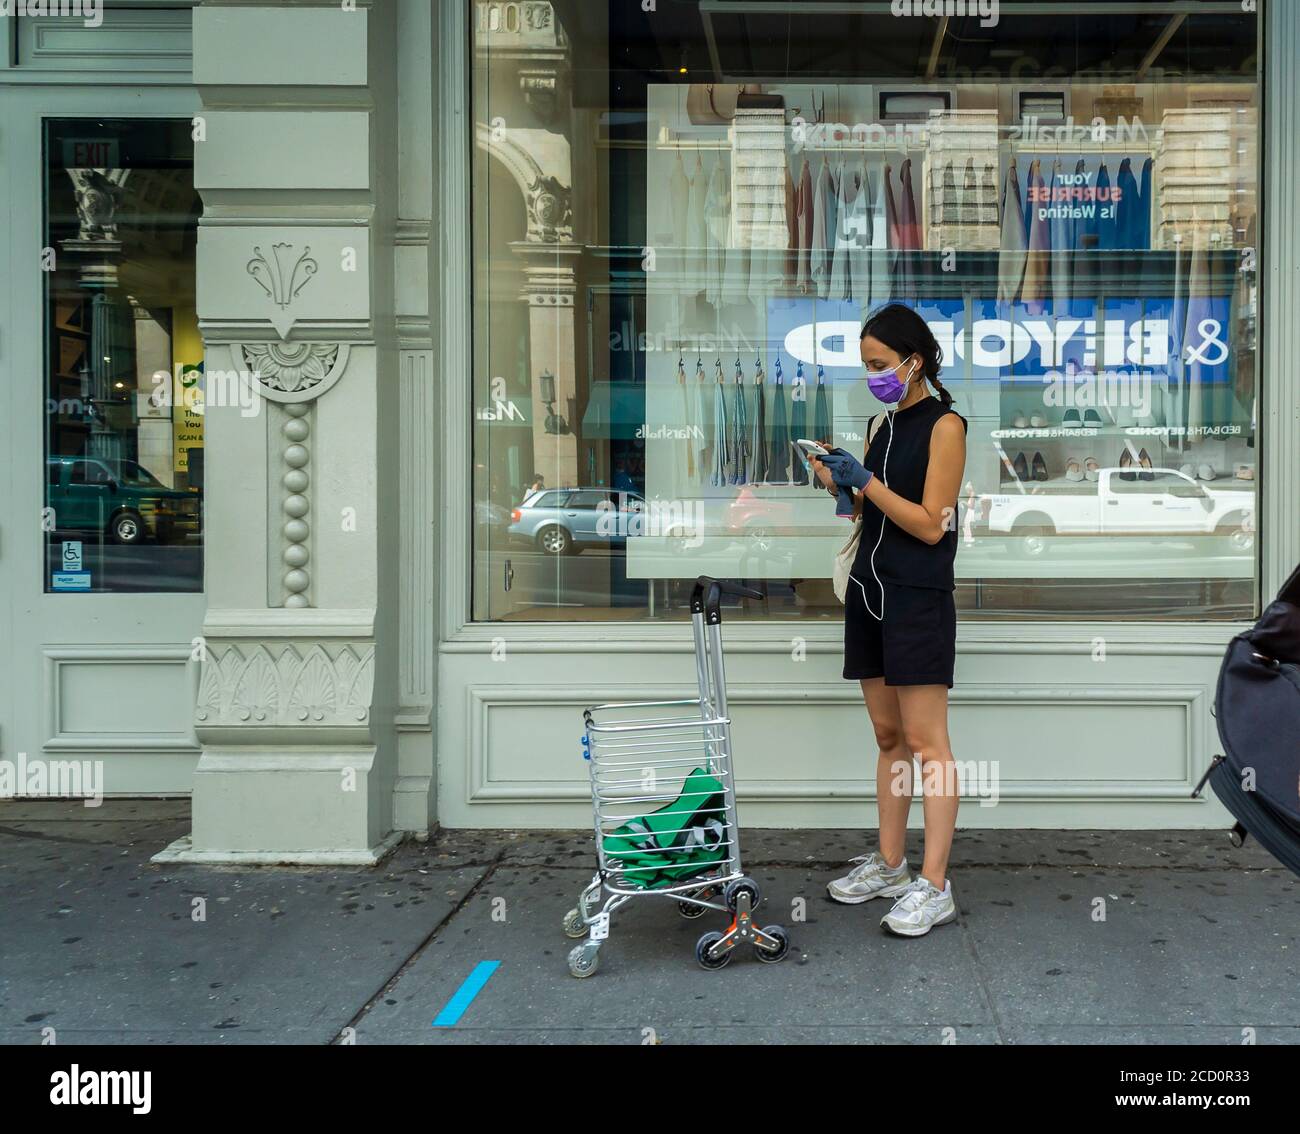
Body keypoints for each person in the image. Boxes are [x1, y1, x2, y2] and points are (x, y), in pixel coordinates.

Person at [810, 303, 967, 937]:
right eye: (867, 366)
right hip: (869, 593)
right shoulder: (881, 424)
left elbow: (930, 524)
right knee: (887, 736)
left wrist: (865, 480)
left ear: (914, 362)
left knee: (930, 745)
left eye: (880, 365)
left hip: (917, 597)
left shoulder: (946, 426)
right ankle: (893, 862)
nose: (873, 375)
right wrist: (835, 482)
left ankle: (935, 884)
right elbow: (865, 514)